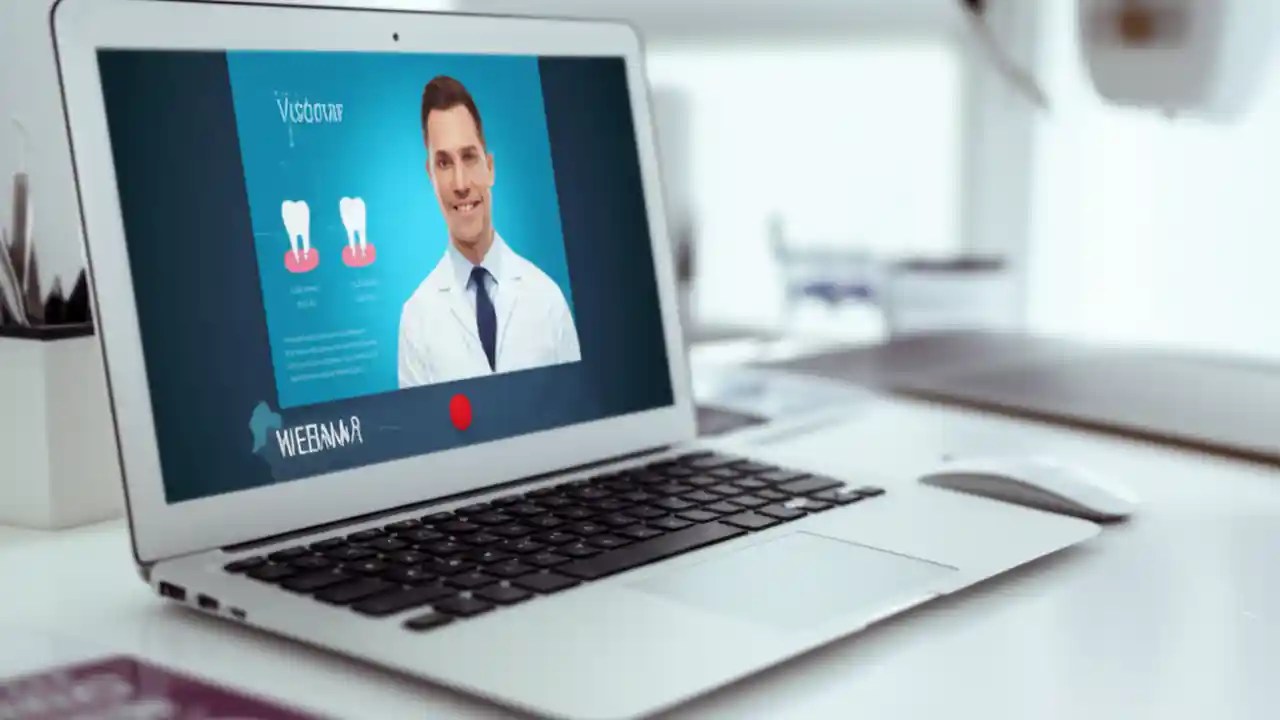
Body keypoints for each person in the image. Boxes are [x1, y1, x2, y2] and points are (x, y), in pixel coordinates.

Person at [398, 75, 580, 388]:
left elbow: (583, 426)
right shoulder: (416, 318)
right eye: (444, 163)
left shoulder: (547, 300)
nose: (460, 184)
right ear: (431, 176)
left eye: (469, 157)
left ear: (490, 167)